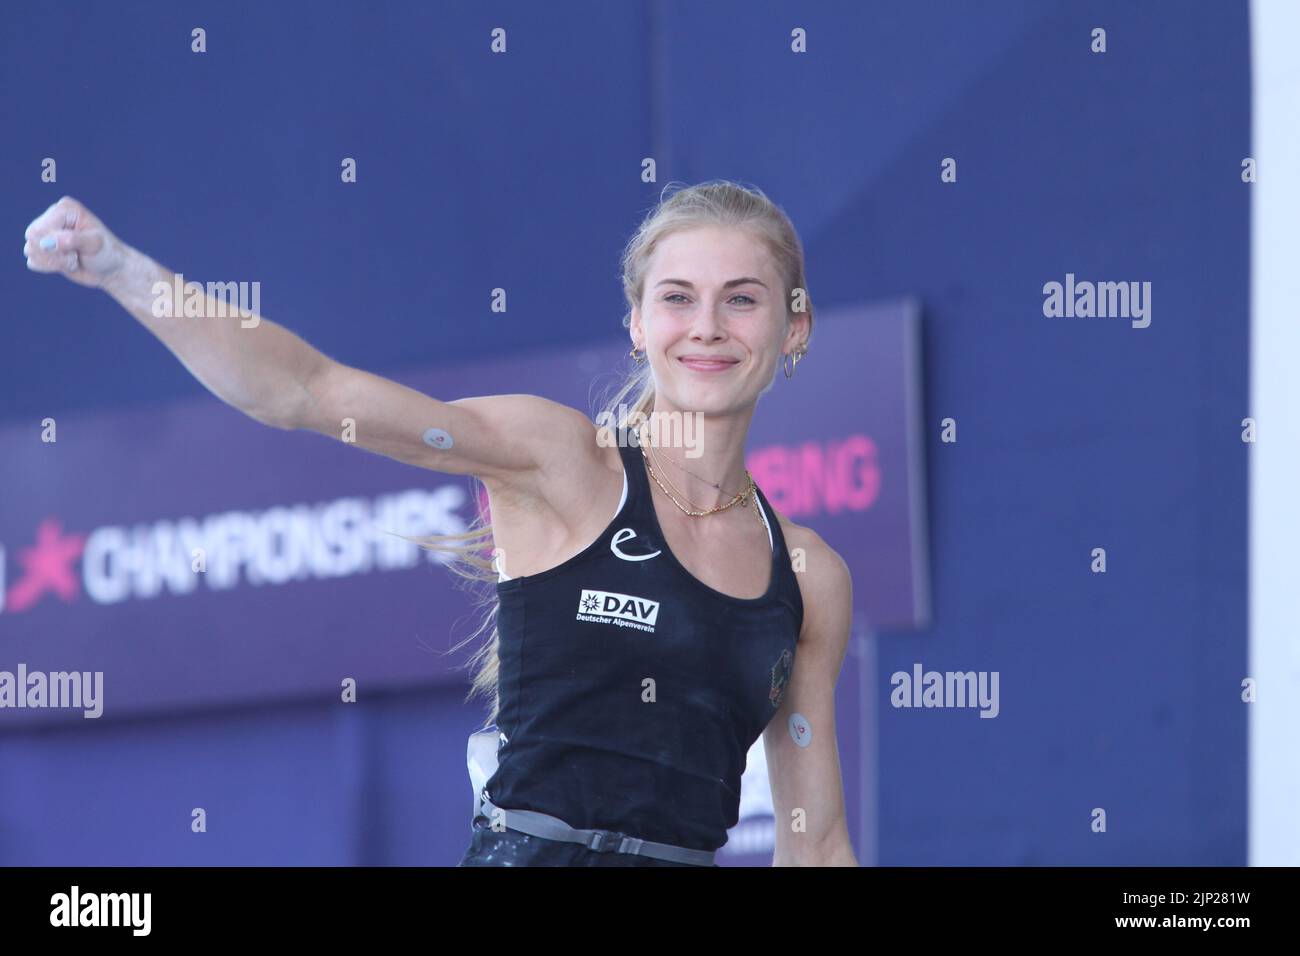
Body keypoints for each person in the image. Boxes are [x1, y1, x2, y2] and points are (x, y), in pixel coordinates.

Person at [22, 180, 858, 866]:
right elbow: (308, 391)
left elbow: (814, 843)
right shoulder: (562, 461)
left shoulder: (810, 575)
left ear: (795, 326)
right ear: (638, 326)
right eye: (678, 299)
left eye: (741, 299)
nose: (707, 326)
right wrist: (122, 269)